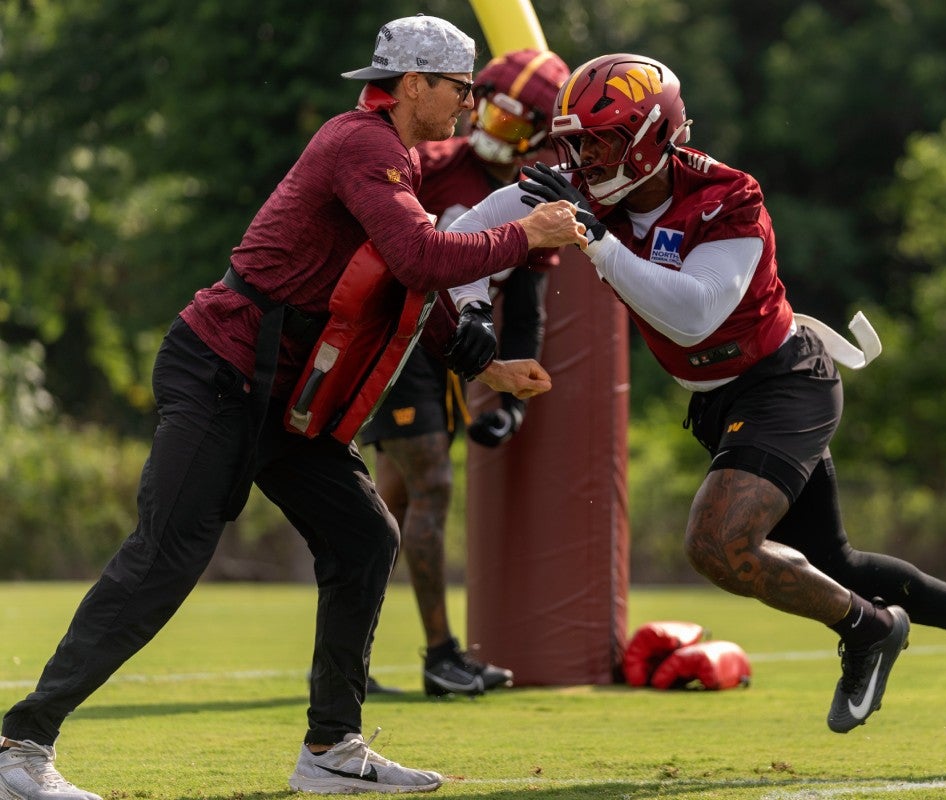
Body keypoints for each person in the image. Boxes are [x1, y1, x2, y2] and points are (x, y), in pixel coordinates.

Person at [0, 15, 587, 800]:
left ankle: (331, 749)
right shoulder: (363, 144)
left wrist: (489, 365)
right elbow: (421, 257)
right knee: (163, 561)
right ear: (414, 83)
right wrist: (527, 232)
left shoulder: (397, 154)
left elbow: (408, 286)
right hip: (221, 375)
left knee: (365, 536)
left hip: (280, 394)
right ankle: (20, 748)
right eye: (460, 87)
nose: (470, 103)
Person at [457, 53, 946, 741]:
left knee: (718, 543)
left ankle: (869, 632)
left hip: (784, 382)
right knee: (835, 566)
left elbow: (693, 316)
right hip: (720, 401)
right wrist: (475, 309)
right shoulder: (584, 191)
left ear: (653, 136)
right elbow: (462, 234)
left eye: (602, 139)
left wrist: (597, 243)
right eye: (578, 140)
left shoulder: (729, 197)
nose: (585, 156)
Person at [358, 48, 571, 698]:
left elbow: (527, 303)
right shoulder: (431, 164)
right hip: (397, 338)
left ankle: (340, 659)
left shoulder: (530, 192)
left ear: (536, 135)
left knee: (380, 512)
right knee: (432, 489)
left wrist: (511, 401)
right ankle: (441, 655)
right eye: (484, 109)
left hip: (446, 352)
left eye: (510, 124)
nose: (486, 128)